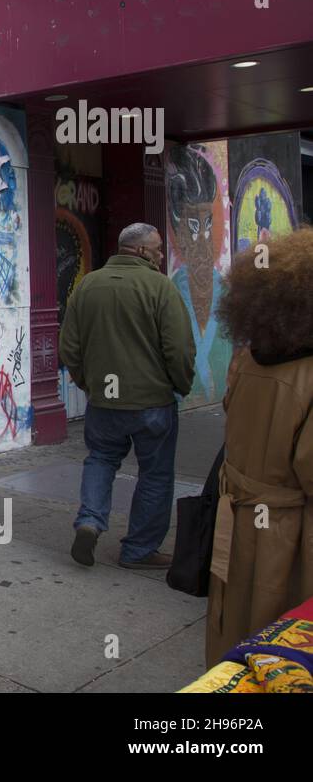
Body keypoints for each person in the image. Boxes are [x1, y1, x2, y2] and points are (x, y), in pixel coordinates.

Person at [60, 222, 195, 570]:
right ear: (140, 251)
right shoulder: (160, 288)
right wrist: (181, 384)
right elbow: (178, 349)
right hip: (152, 401)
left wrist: (88, 383)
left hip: (104, 400)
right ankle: (138, 550)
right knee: (156, 474)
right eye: (158, 248)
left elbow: (69, 346)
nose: (162, 254)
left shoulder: (88, 285)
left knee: (101, 459)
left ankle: (89, 522)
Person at [206, 226, 313, 663]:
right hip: (290, 537)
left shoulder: (248, 359)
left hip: (237, 521)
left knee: (233, 629)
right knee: (281, 645)